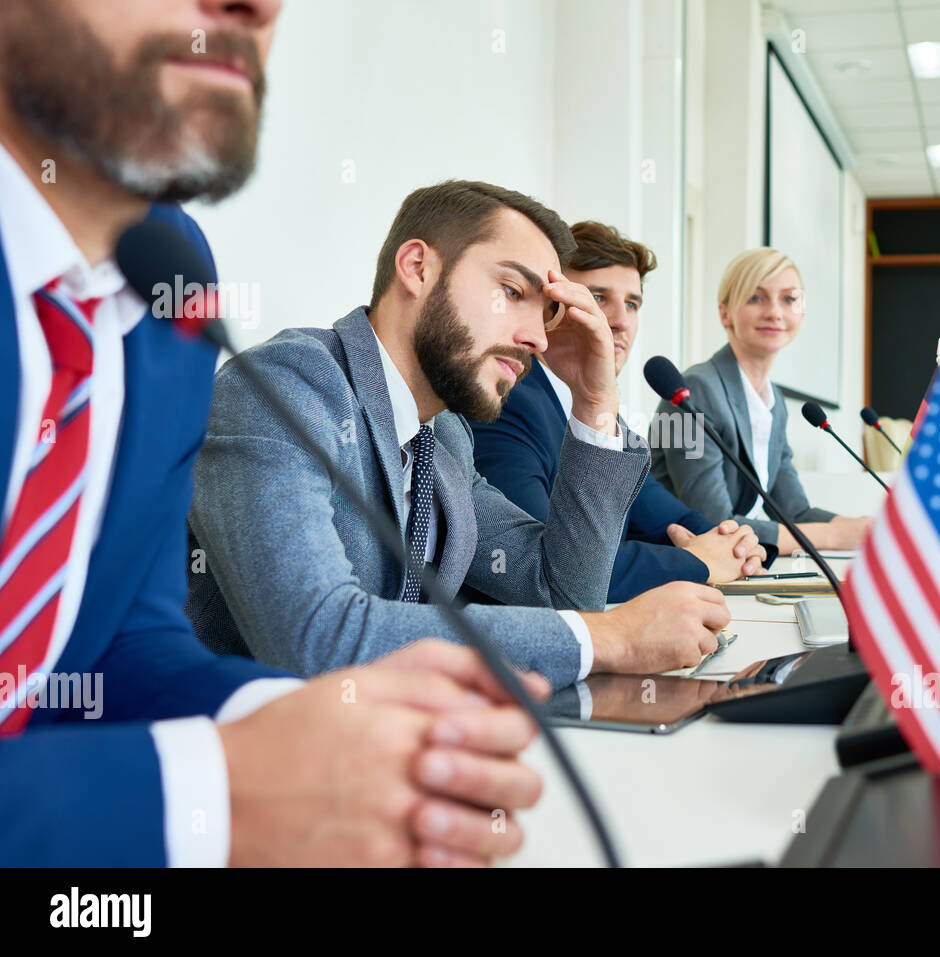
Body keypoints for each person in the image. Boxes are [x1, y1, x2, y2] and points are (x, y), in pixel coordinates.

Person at [0, 0, 544, 867]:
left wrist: (307, 735)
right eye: (516, 293)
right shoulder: (291, 379)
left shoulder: (169, 271)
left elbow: (121, 650)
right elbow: (317, 634)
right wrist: (209, 793)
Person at [188, 184, 731, 689]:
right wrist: (608, 637)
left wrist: (595, 405)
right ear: (418, 268)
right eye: (511, 291)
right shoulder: (283, 388)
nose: (538, 338)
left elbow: (560, 593)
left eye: (548, 314)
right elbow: (315, 636)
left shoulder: (442, 435)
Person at [471, 221, 765, 602]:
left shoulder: (601, 414)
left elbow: (663, 513)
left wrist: (733, 545)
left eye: (632, 303)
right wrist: (698, 561)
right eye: (597, 297)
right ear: (551, 304)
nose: (620, 320)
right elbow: (548, 567)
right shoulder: (508, 401)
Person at [651, 247, 871, 555]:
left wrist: (865, 530)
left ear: (802, 311)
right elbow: (712, 523)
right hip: (673, 564)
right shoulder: (694, 390)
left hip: (734, 563)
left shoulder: (774, 402)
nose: (775, 312)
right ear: (725, 312)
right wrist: (832, 536)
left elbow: (795, 513)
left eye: (789, 299)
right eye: (756, 297)